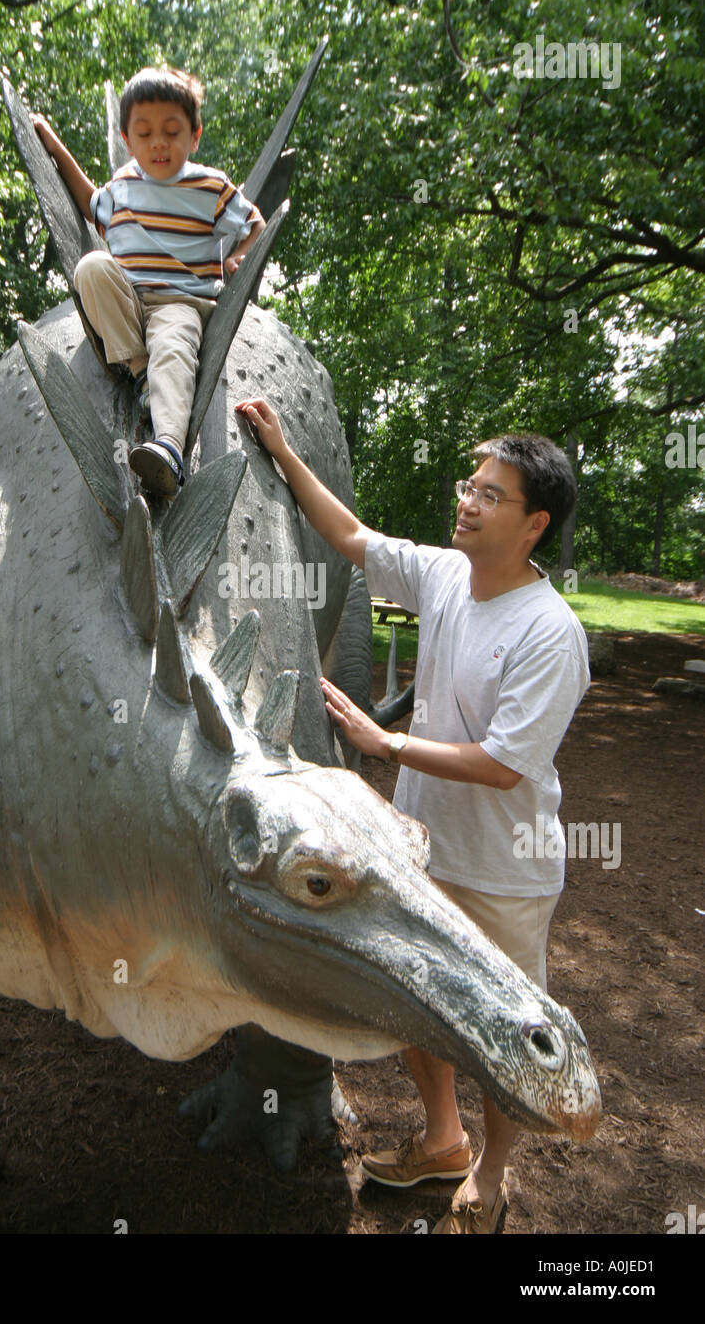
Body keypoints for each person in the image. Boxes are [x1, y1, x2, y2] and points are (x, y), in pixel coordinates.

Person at [234, 397, 590, 1236]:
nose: (467, 502)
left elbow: (505, 766)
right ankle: (442, 1137)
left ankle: (491, 1176)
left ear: (534, 523)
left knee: (506, 1026)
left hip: (505, 865)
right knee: (408, 1001)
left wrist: (382, 744)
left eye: (490, 494)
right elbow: (352, 537)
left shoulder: (551, 632)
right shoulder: (444, 575)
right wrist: (283, 452)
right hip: (423, 847)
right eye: (469, 487)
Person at [32, 65, 265, 497]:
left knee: (174, 349)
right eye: (144, 132)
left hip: (180, 302)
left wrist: (237, 256)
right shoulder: (121, 186)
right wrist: (54, 147)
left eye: (171, 131)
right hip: (129, 301)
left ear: (194, 136)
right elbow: (88, 202)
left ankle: (170, 449)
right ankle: (140, 372)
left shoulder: (210, 186)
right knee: (91, 269)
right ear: (127, 139)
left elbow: (255, 225)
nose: (158, 142)